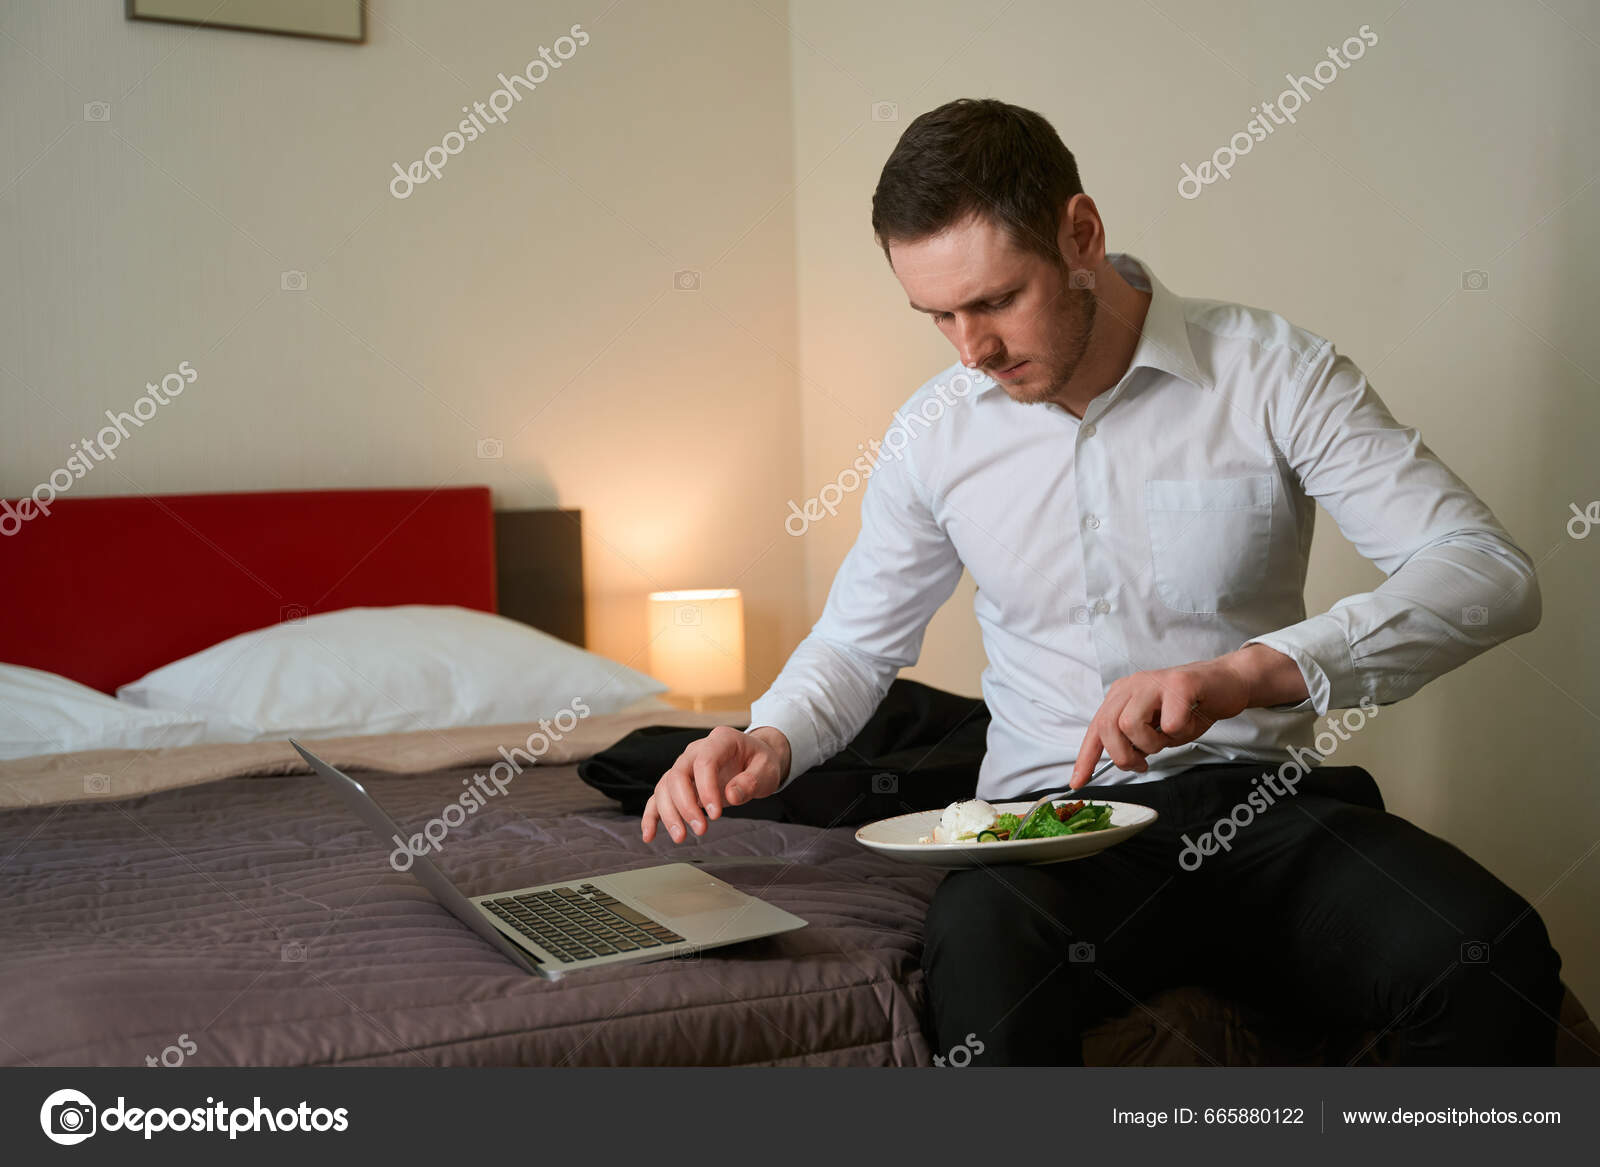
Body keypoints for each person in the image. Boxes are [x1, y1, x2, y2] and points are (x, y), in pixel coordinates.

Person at [638, 98, 1562, 1065]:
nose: (972, 350)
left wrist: (1248, 673)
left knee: (1491, 953)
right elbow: (857, 641)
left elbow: (1487, 572)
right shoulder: (933, 434)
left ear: (1081, 234)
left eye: (996, 301)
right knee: (984, 950)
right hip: (1042, 836)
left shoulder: (1274, 373)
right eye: (939, 316)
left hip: (1260, 810)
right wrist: (771, 737)